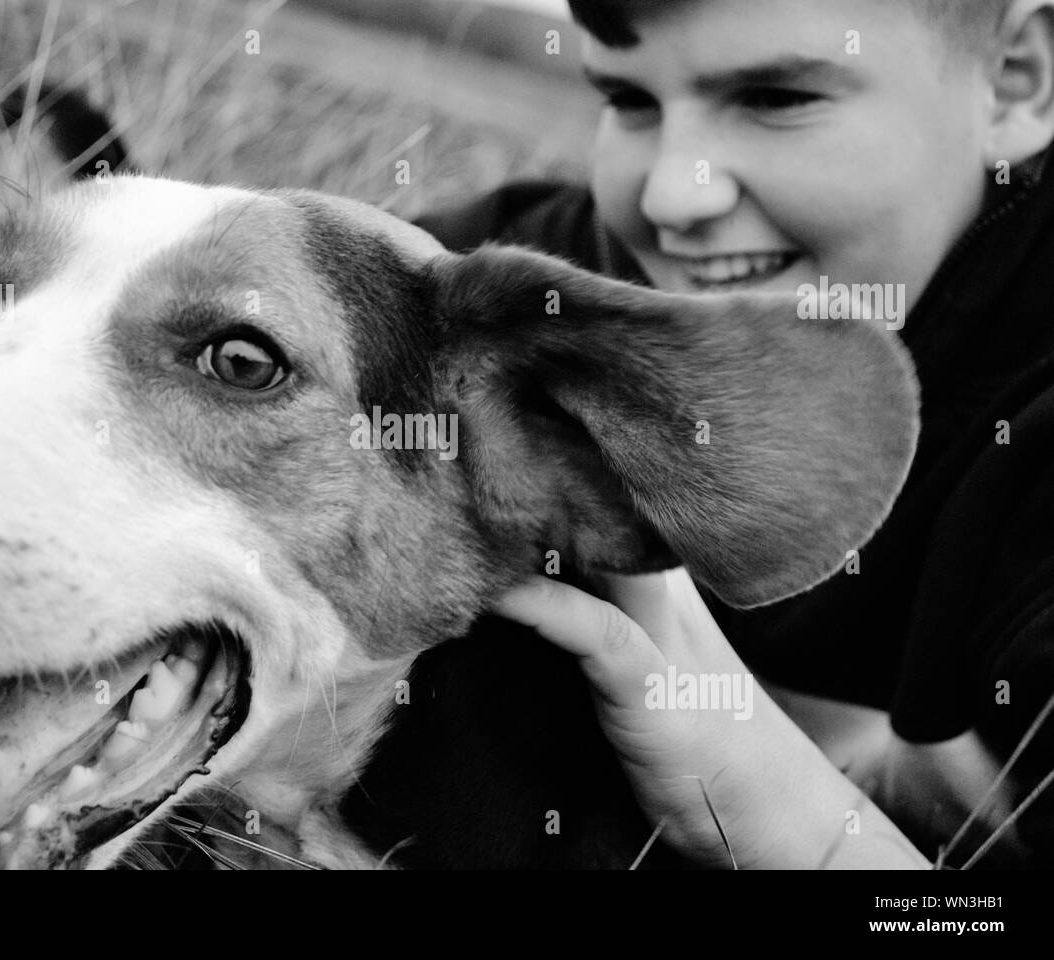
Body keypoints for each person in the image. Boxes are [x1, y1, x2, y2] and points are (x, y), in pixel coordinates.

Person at [415, 0, 1054, 867]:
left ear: (1018, 82)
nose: (674, 195)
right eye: (631, 101)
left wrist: (769, 797)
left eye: (777, 96)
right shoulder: (571, 280)